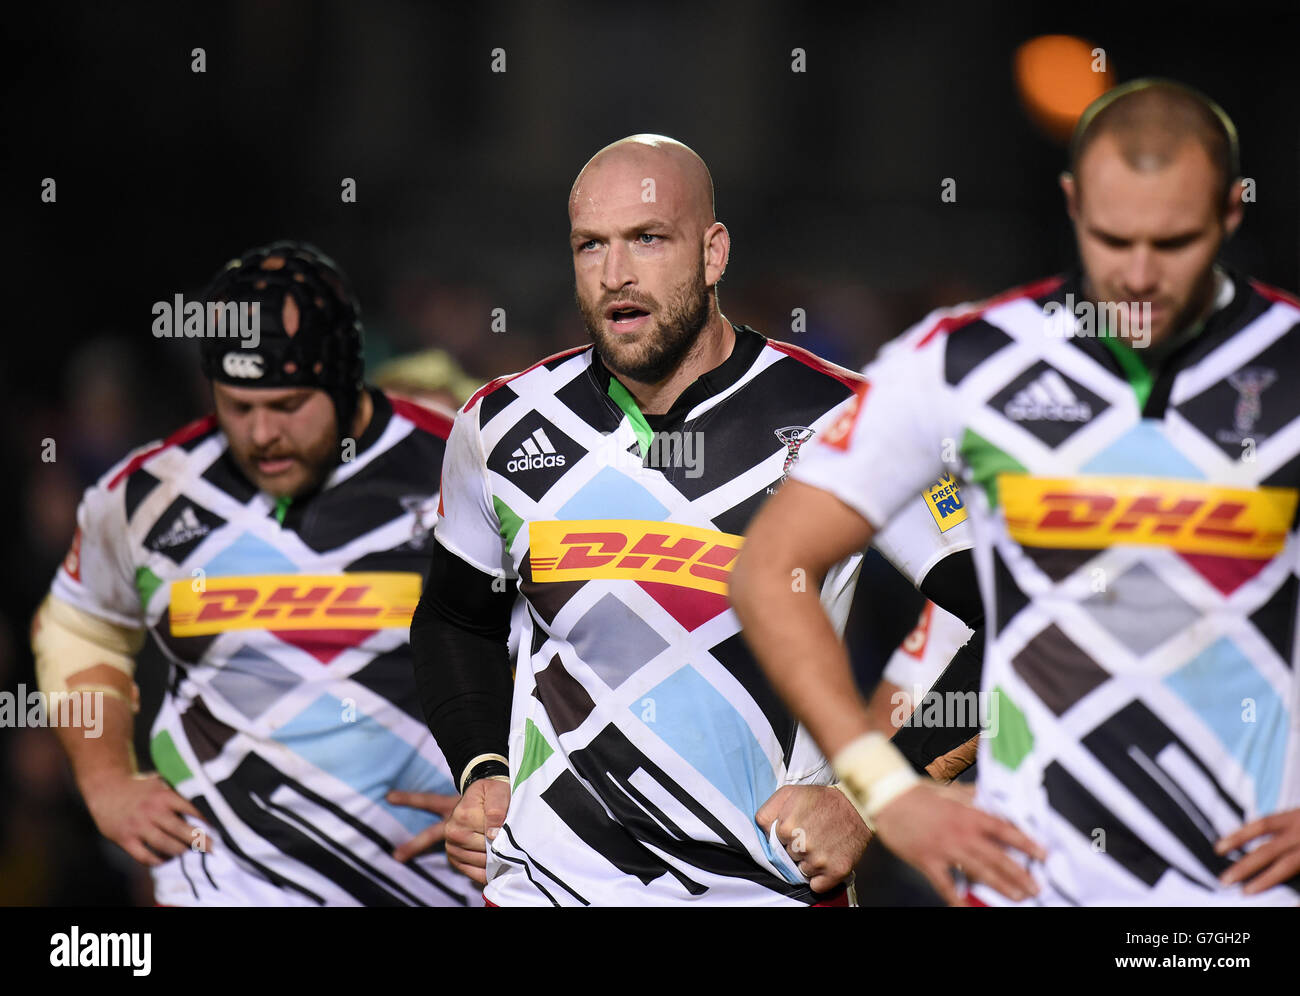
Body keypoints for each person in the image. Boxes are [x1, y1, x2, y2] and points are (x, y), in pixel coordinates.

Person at [731, 78, 1300, 906]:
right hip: (1034, 888)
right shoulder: (964, 363)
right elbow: (768, 568)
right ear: (1072, 204)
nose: (1140, 275)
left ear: (1231, 212)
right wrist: (882, 789)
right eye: (1113, 238)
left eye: (1174, 242)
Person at [410, 134, 981, 905]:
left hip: (765, 891)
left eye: (649, 239)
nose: (616, 274)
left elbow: (1016, 619)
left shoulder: (846, 417)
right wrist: (481, 769)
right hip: (548, 887)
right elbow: (455, 620)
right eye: (591, 246)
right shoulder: (499, 423)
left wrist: (869, 795)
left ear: (714, 253)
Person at [31, 241, 480, 906]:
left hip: (433, 888)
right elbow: (80, 631)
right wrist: (106, 783)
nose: (262, 433)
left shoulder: (463, 466)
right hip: (219, 887)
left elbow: (572, 636)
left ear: (345, 374)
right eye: (238, 407)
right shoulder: (145, 495)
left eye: (289, 404)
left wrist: (515, 789)